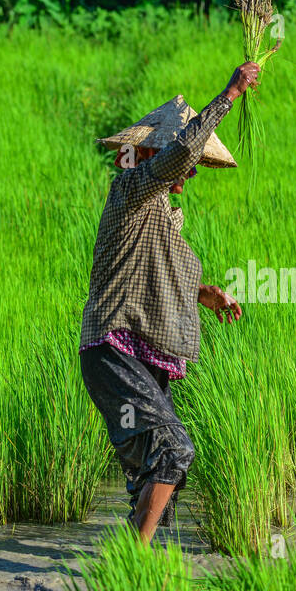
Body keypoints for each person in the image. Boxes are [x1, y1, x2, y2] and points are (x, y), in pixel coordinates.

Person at [79, 61, 259, 544]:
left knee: (158, 472)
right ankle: (135, 558)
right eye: (184, 162)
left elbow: (150, 274)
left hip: (143, 354)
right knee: (176, 449)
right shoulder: (131, 191)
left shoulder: (164, 218)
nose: (192, 171)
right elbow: (179, 156)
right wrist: (229, 94)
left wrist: (204, 294)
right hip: (112, 350)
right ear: (149, 153)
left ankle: (138, 572)